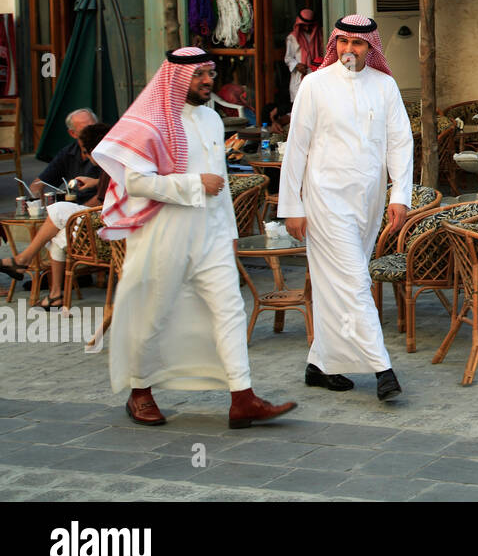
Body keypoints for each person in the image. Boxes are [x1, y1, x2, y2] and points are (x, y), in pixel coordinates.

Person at [92, 47, 296, 429]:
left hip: (212, 234)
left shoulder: (213, 120)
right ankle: (140, 392)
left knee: (230, 309)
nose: (207, 81)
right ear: (176, 77)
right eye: (198, 74)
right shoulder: (149, 121)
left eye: (210, 74)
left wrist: (232, 234)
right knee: (154, 312)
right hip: (163, 233)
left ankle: (242, 397)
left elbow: (219, 185)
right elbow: (134, 181)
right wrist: (192, 184)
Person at [279, 15, 413, 401]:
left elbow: (400, 143)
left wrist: (399, 195)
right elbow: (297, 147)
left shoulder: (385, 85)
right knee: (356, 280)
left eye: (358, 45)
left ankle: (321, 363)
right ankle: (382, 368)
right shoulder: (314, 85)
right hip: (323, 199)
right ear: (334, 44)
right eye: (343, 43)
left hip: (367, 202)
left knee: (334, 283)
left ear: (370, 48)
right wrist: (292, 206)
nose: (349, 51)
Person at [1, 122, 112, 307]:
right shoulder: (109, 165)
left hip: (106, 229)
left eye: (86, 152)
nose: (85, 156)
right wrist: (95, 182)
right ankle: (55, 295)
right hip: (99, 223)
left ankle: (22, 260)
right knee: (59, 234)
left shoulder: (111, 165)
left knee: (60, 211)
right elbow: (40, 181)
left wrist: (80, 208)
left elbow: (103, 202)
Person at [31, 108, 101, 205]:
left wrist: (79, 214)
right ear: (72, 133)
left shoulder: (105, 153)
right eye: (84, 131)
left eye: (93, 128)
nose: (91, 134)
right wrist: (40, 208)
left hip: (93, 211)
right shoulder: (68, 152)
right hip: (72, 208)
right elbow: (36, 185)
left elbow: (106, 193)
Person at [284, 8, 323, 103]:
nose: (307, 28)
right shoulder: (292, 38)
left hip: (316, 74)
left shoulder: (320, 35)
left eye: (309, 26)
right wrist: (297, 65)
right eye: (304, 25)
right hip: (299, 76)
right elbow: (288, 58)